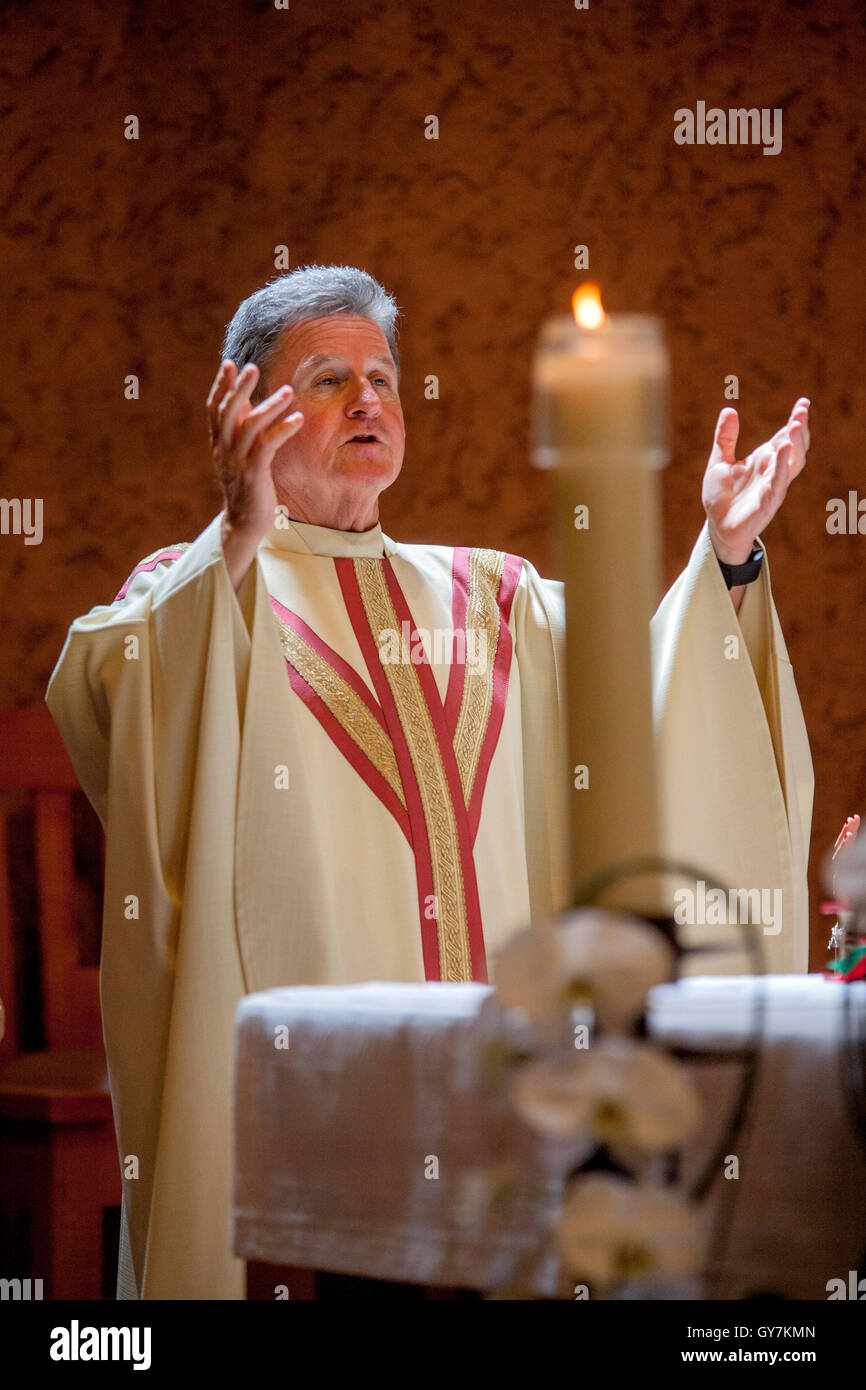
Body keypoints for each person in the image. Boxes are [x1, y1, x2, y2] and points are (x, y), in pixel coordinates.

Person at [45, 264, 813, 1299]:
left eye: (384, 378)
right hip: (313, 1102)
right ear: (245, 409)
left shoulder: (491, 597)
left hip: (509, 1082)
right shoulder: (200, 591)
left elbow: (643, 708)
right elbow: (115, 683)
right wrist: (237, 526)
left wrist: (721, 556)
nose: (369, 400)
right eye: (325, 379)